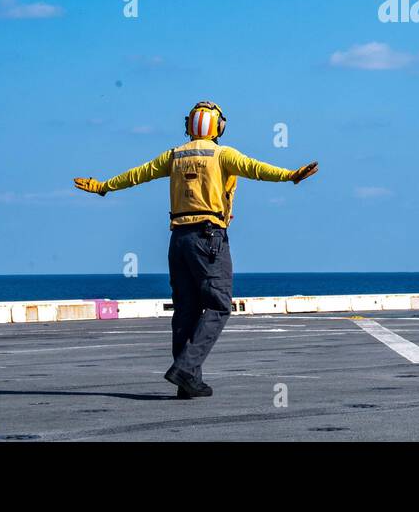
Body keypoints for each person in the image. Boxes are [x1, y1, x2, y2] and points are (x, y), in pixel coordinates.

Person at [73, 101, 318, 399]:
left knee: (186, 310)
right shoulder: (222, 154)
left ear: (189, 125)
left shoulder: (174, 155)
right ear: (219, 127)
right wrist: (290, 175)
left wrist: (103, 186)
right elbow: (257, 169)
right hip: (208, 237)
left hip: (179, 239)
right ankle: (186, 369)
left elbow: (138, 174)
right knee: (218, 305)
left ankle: (187, 384)